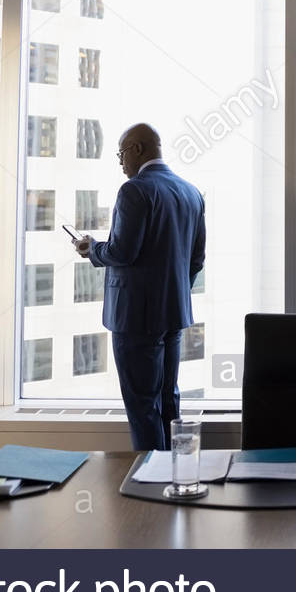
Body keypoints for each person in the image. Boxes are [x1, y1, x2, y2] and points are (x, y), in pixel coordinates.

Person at [73, 123, 205, 451]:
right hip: (172, 315)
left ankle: (150, 489)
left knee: (142, 407)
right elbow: (196, 259)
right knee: (167, 400)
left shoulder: (134, 190)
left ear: (137, 149)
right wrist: (171, 293)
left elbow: (122, 252)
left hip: (134, 319)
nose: (120, 162)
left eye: (120, 153)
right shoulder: (191, 192)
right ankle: (174, 476)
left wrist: (91, 248)